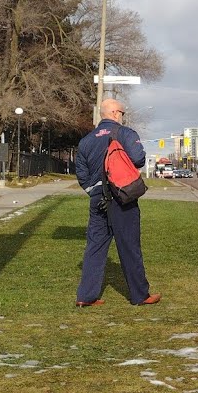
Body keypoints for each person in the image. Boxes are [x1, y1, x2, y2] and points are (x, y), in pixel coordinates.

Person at [74, 98, 160, 307]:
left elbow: (82, 174)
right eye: (122, 113)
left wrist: (94, 192)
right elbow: (138, 159)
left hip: (98, 200)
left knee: (95, 246)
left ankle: (86, 296)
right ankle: (140, 295)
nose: (122, 117)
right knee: (129, 246)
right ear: (114, 113)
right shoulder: (125, 134)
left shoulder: (86, 141)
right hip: (122, 198)